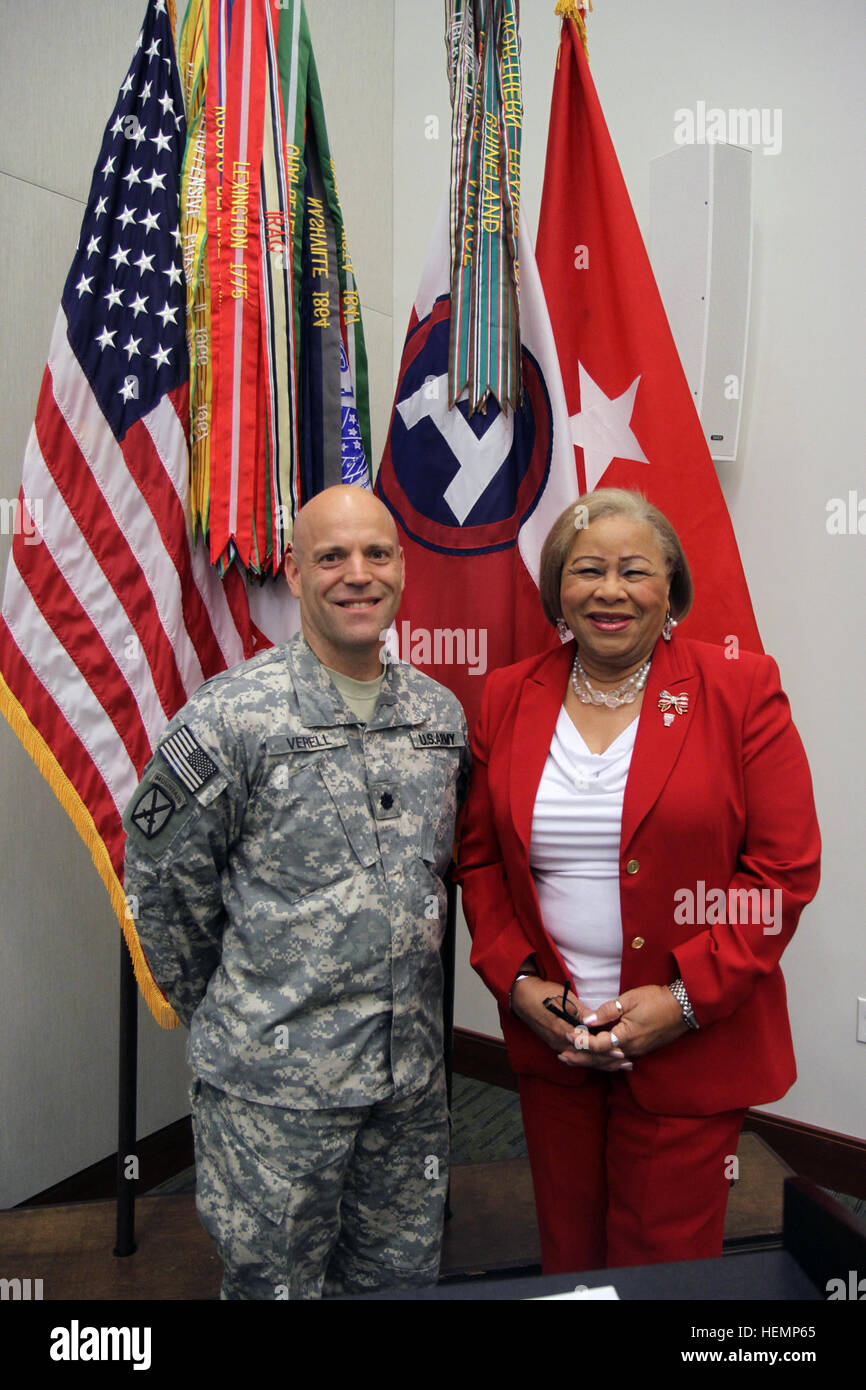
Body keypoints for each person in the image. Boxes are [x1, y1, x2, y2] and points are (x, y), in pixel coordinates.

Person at [456, 487, 820, 1273]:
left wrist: (685, 1001)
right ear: (558, 590)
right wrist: (518, 985)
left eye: (634, 571)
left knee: (663, 1267)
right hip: (556, 1039)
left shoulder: (739, 688)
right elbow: (480, 861)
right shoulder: (507, 696)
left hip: (689, 1042)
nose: (610, 591)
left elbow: (782, 871)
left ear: (672, 589)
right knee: (571, 1256)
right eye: (587, 570)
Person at [123, 485, 469, 1299]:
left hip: (406, 1086)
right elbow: (162, 891)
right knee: (273, 1291)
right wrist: (241, 1010)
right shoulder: (227, 721)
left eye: (376, 554)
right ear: (294, 570)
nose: (358, 574)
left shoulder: (440, 718)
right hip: (275, 1099)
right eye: (331, 556)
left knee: (399, 1285)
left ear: (401, 568)